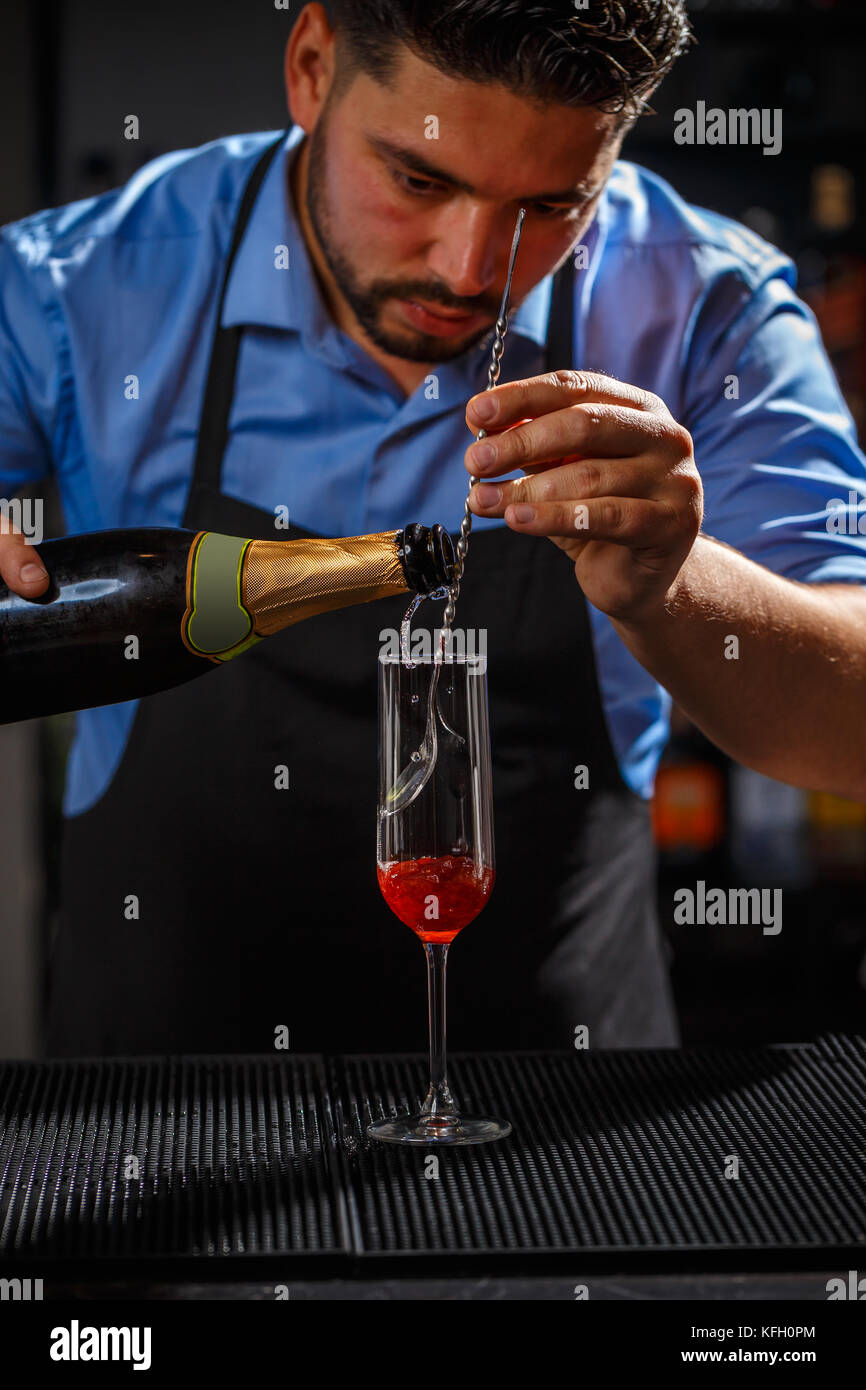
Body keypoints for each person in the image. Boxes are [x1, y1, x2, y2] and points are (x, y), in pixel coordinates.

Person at [1, 1, 865, 1057]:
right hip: (165, 1104)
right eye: (419, 179)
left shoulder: (702, 303)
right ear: (313, 66)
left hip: (561, 1104)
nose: (468, 270)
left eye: (552, 203)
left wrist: (671, 585)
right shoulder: (78, 288)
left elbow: (850, 727)